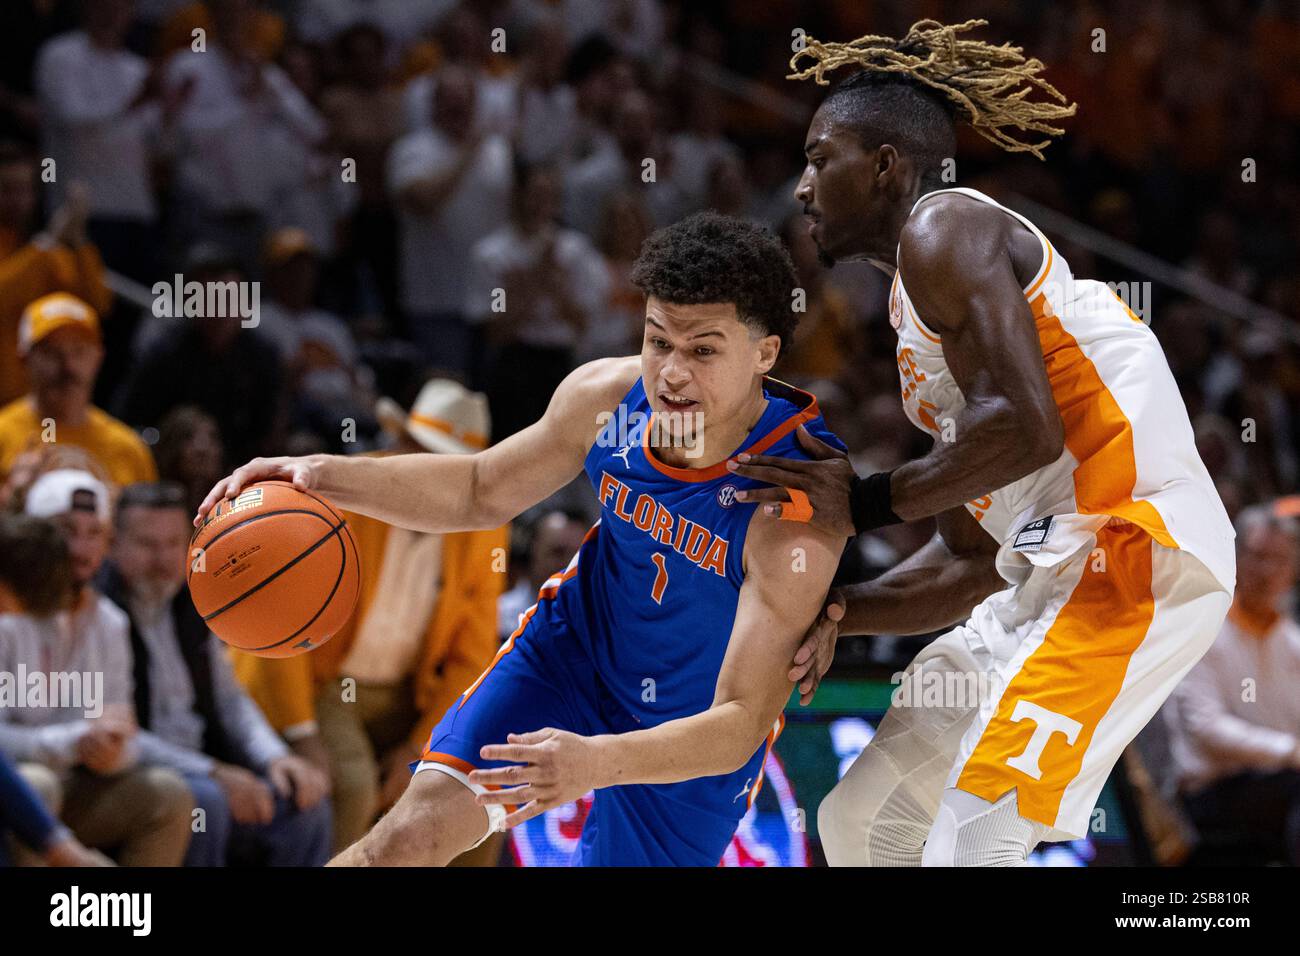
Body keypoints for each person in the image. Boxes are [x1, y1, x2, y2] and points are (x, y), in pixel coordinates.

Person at [732, 19, 1236, 866]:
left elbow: (1027, 428)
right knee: (861, 823)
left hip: (1130, 548)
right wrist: (829, 614)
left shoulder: (945, 226)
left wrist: (858, 504)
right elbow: (968, 562)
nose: (803, 188)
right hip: (1039, 578)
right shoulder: (915, 330)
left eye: (822, 158)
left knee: (977, 842)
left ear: (886, 165)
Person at [196, 212, 848, 866]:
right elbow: (480, 488)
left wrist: (596, 760)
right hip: (573, 656)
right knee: (406, 838)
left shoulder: (795, 502)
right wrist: (323, 476)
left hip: (693, 729)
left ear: (764, 354)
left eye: (703, 350)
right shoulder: (606, 398)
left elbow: (738, 721)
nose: (672, 373)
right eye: (658, 341)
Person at [232, 379, 508, 860]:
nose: (436, 478)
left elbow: (472, 656)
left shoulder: (485, 527)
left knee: (479, 793)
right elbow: (278, 621)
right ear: (402, 447)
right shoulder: (343, 492)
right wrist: (303, 733)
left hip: (409, 693)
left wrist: (425, 747)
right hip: (327, 682)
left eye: (452, 469)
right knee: (354, 784)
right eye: (427, 457)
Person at [99, 481, 332, 867]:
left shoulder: (200, 598)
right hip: (142, 774)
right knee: (205, 807)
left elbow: (230, 701)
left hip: (208, 766)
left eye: (173, 544)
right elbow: (119, 736)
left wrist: (276, 758)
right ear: (113, 544)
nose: (162, 560)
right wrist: (215, 773)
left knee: (305, 804)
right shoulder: (100, 614)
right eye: (146, 545)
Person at [0, 469, 193, 866]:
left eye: (94, 534)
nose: (80, 550)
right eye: (65, 531)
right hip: (27, 782)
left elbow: (128, 733)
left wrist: (112, 751)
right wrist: (73, 741)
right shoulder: (9, 613)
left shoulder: (110, 621)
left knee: (172, 794)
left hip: (84, 785)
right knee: (38, 785)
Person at [1164, 505, 1300, 863]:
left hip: (1278, 783)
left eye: (1280, 560)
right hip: (1214, 793)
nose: (1268, 571)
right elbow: (1207, 728)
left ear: (1292, 572)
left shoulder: (1290, 640)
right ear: (1237, 557)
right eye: (1258, 556)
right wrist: (1289, 751)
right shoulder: (1203, 627)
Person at [0, 292, 157, 489]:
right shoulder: (3, 436)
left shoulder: (128, 449)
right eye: (52, 352)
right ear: (24, 358)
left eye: (79, 350)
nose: (68, 366)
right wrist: (10, 495)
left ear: (98, 357)